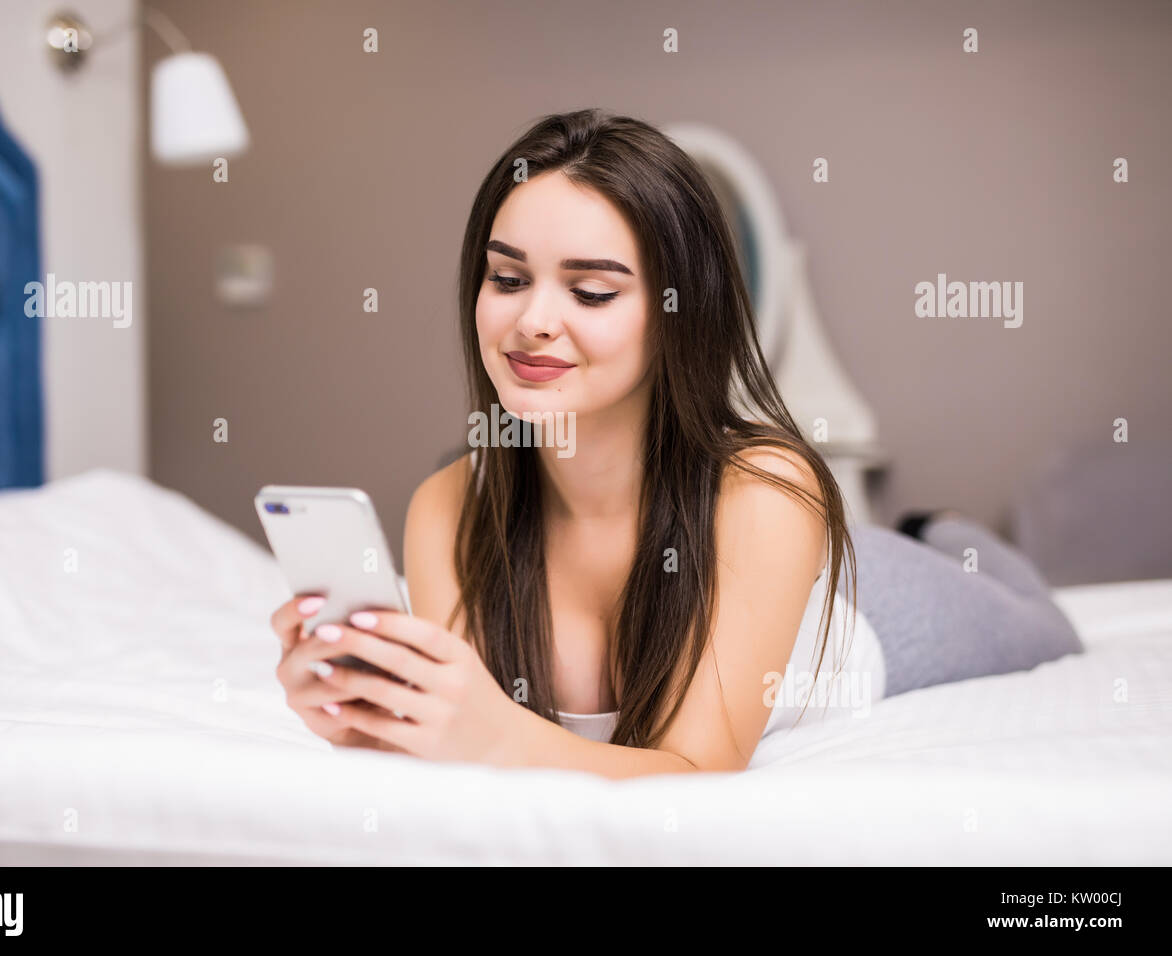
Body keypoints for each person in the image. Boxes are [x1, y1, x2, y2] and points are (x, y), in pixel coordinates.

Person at [270, 109, 1083, 779]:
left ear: (676, 315)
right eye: (508, 278)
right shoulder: (450, 507)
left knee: (1045, 625)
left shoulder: (765, 491)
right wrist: (372, 716)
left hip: (876, 606)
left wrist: (485, 736)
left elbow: (695, 769)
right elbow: (467, 743)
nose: (531, 321)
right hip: (782, 564)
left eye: (590, 290)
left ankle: (939, 530)